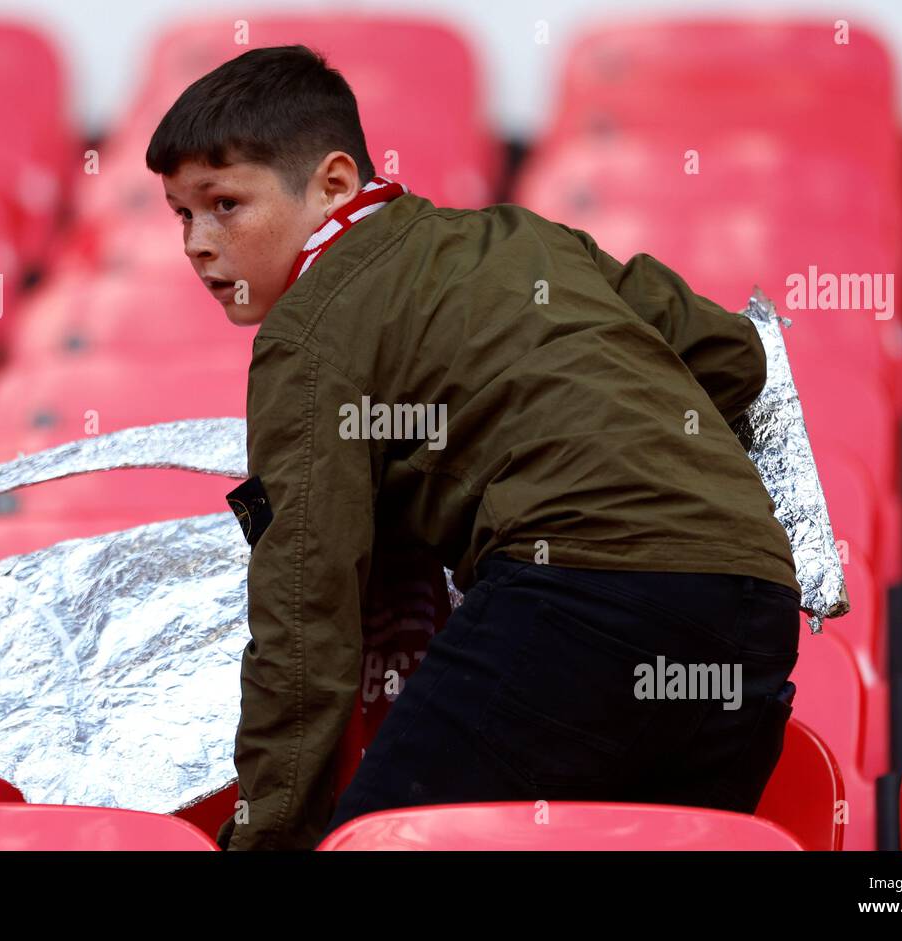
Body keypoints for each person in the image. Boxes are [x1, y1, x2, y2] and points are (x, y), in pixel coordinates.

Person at [146, 44, 801, 852]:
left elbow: (304, 609)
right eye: (182, 213)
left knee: (382, 840)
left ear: (335, 183)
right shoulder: (525, 239)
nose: (198, 244)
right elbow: (736, 355)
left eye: (225, 204)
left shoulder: (309, 331)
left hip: (582, 598)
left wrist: (267, 837)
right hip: (754, 604)